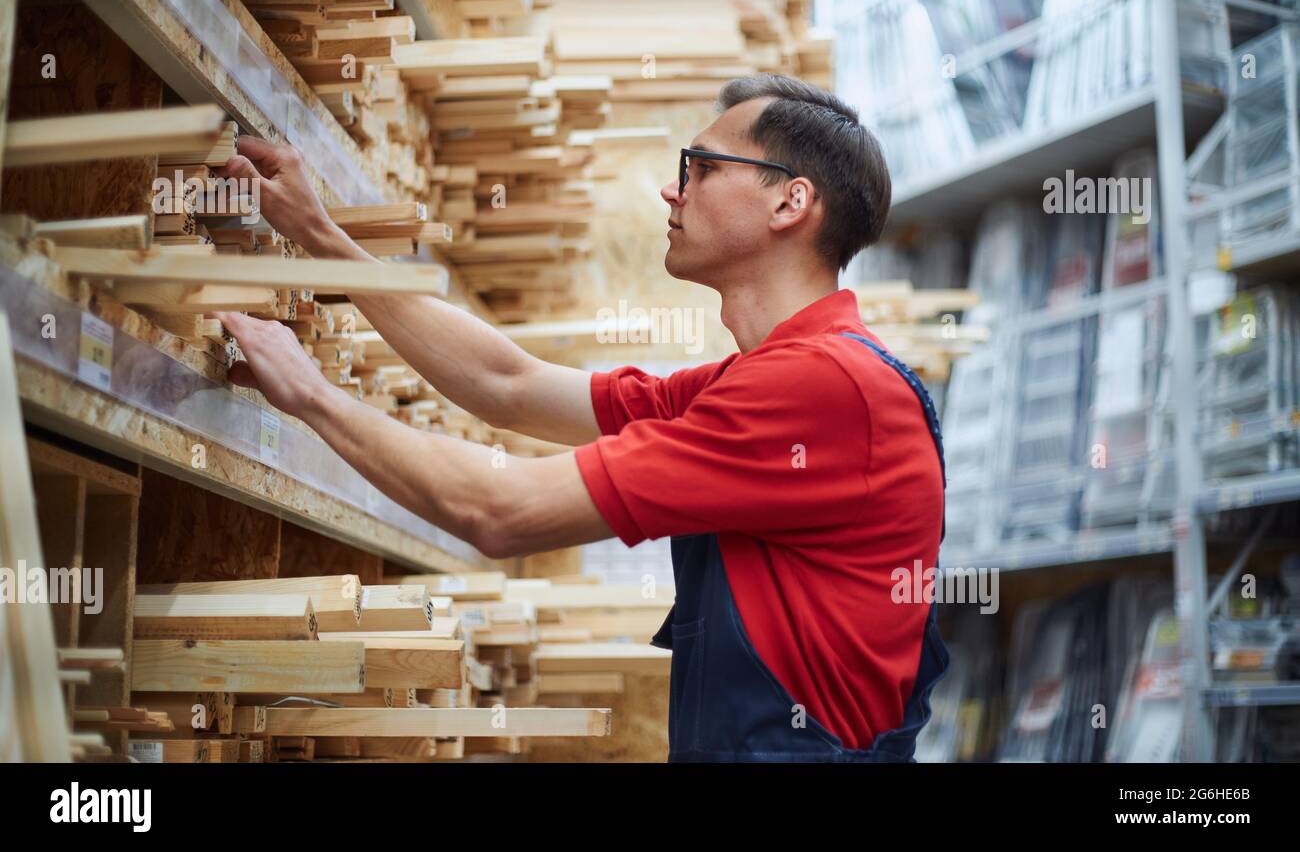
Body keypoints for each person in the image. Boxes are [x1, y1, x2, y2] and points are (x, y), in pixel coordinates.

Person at [214, 73, 949, 762]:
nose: (673, 189)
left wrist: (311, 394)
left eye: (701, 167)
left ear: (790, 203)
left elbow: (497, 509)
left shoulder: (821, 388)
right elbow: (509, 385)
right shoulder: (771, 379)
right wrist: (324, 240)